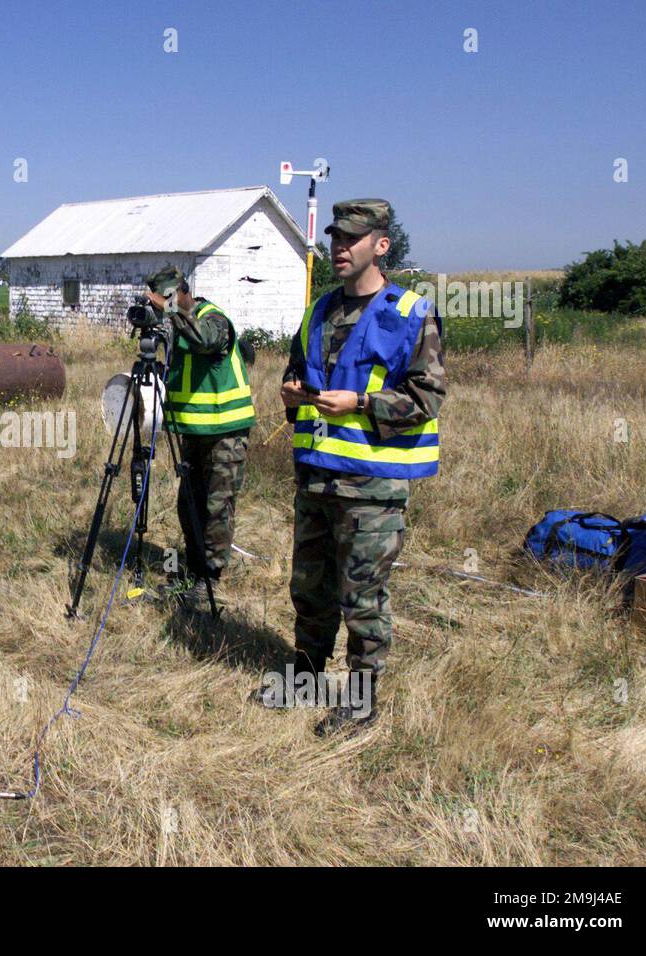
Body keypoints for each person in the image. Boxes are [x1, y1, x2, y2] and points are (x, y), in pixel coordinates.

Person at [261, 199, 445, 736]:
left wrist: (362, 405)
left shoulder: (411, 313)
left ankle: (362, 702)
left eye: (352, 240)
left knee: (363, 598)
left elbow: (426, 399)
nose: (339, 248)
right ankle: (308, 677)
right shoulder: (319, 310)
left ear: (380, 245)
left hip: (372, 484)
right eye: (336, 239)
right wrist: (292, 391)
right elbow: (299, 373)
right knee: (310, 587)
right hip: (316, 475)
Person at [143, 266, 255, 612]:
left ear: (179, 295)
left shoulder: (212, 317)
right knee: (189, 504)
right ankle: (191, 571)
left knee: (216, 507)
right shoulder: (178, 325)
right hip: (192, 431)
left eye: (166, 300)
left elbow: (206, 341)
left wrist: (169, 311)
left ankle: (211, 579)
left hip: (225, 431)